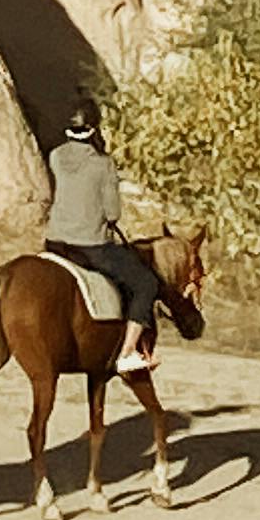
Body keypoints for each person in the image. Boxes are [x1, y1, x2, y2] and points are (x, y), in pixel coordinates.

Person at [43, 95, 169, 358]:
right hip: (90, 246)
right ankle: (127, 353)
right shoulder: (104, 164)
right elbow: (113, 212)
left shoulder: (56, 156)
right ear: (94, 127)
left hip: (55, 241)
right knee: (146, 283)